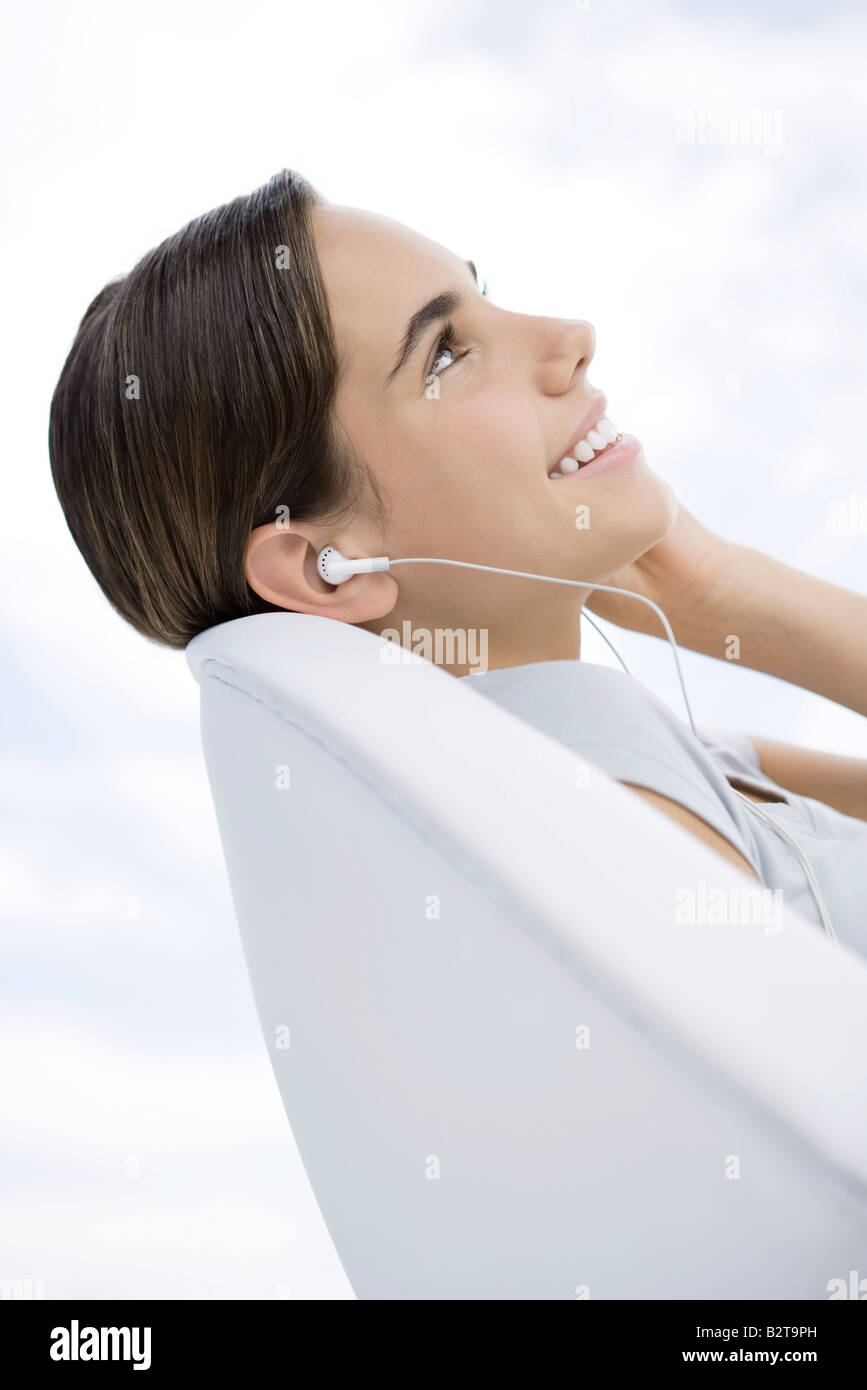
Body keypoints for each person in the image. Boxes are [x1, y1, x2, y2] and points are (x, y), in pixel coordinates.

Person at [48, 168, 867, 954]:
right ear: (321, 564)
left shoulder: (598, 763)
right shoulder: (603, 787)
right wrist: (735, 601)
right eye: (445, 352)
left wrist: (719, 593)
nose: (570, 338)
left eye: (486, 294)